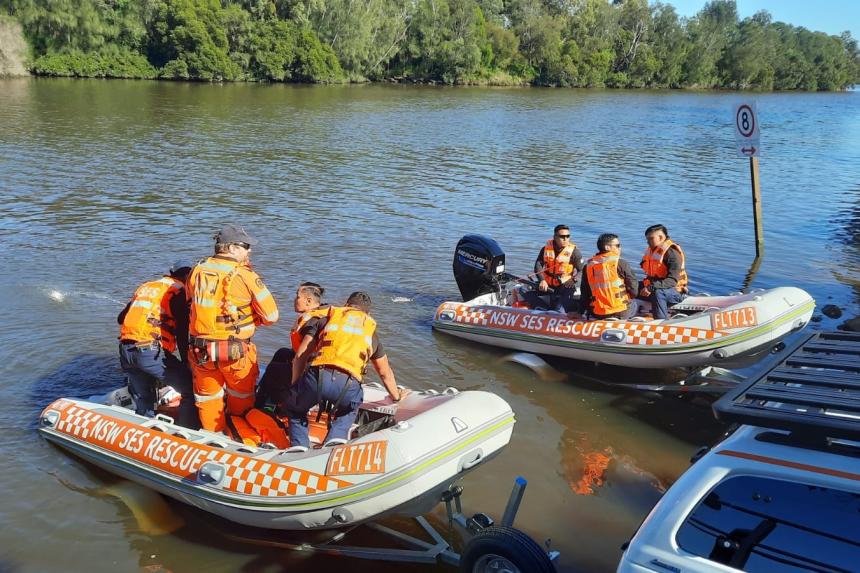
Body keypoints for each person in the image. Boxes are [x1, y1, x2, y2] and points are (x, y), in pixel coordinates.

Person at [186, 224, 279, 434]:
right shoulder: (244, 276)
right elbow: (272, 316)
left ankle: (212, 437)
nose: (249, 251)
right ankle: (238, 436)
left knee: (208, 399)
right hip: (234, 353)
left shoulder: (197, 271)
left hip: (201, 352)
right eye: (246, 246)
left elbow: (190, 302)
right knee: (241, 398)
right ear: (232, 248)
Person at [284, 291, 405, 451]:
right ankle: (335, 441)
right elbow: (385, 373)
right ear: (368, 313)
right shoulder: (370, 333)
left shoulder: (327, 320)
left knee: (295, 408)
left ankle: (299, 447)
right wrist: (396, 396)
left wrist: (295, 386)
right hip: (348, 385)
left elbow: (300, 356)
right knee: (349, 410)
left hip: (317, 378)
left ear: (346, 306)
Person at [117, 260, 197, 428]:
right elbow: (182, 332)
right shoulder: (178, 291)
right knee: (190, 388)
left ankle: (144, 429)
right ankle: (188, 431)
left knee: (144, 397)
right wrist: (186, 363)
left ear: (170, 272)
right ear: (189, 276)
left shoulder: (147, 287)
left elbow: (120, 319)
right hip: (149, 353)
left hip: (126, 351)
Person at [256, 282, 328, 411]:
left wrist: (295, 383)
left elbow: (304, 355)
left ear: (308, 301)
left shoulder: (313, 321)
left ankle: (261, 405)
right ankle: (267, 395)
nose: (294, 299)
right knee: (282, 353)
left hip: (314, 369)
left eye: (297, 296)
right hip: (310, 362)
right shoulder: (316, 315)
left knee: (274, 370)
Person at [522, 225, 583, 312]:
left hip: (565, 287)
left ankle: (554, 310)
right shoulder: (545, 249)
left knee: (559, 310)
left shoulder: (574, 252)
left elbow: (582, 270)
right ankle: (544, 309)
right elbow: (538, 265)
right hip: (547, 285)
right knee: (523, 289)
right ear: (555, 237)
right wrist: (542, 280)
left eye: (568, 236)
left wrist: (574, 280)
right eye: (562, 237)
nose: (565, 239)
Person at [579, 234, 639, 320]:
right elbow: (634, 291)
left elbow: (585, 293)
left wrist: (580, 311)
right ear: (607, 247)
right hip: (620, 310)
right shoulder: (621, 263)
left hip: (598, 312)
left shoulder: (588, 266)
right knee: (634, 303)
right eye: (617, 245)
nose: (620, 248)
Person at [638, 224, 689, 320]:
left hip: (675, 291)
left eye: (650, 238)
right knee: (630, 285)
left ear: (661, 237)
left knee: (658, 292)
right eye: (647, 239)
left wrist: (650, 288)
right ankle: (620, 315)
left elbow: (672, 281)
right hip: (655, 286)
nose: (647, 242)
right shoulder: (652, 250)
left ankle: (660, 322)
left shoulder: (672, 254)